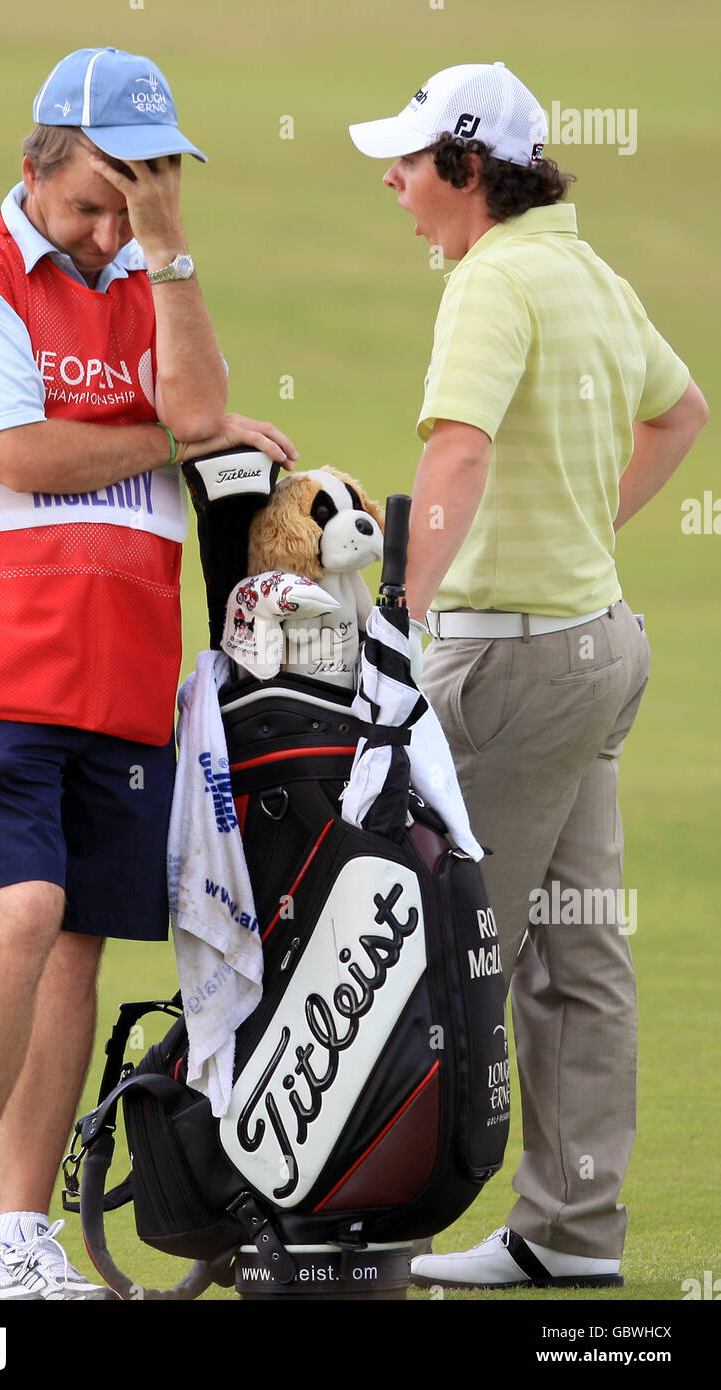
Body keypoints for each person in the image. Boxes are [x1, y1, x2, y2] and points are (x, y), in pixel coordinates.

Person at [0, 45, 297, 1300]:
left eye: (136, 198)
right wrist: (178, 438)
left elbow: (203, 399)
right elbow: (21, 455)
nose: (108, 226)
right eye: (92, 202)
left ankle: (20, 1239)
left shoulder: (144, 273)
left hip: (124, 648)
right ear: (32, 169)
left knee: (76, 941)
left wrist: (166, 253)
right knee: (14, 912)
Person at [349, 61, 708, 1288]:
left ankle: (375, 1235)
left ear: (465, 167)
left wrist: (403, 614)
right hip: (600, 650)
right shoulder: (585, 269)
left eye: (407, 160)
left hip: (508, 667)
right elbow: (682, 413)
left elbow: (454, 449)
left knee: (443, 958)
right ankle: (568, 1237)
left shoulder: (496, 278)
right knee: (577, 959)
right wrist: (583, 535)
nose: (390, 181)